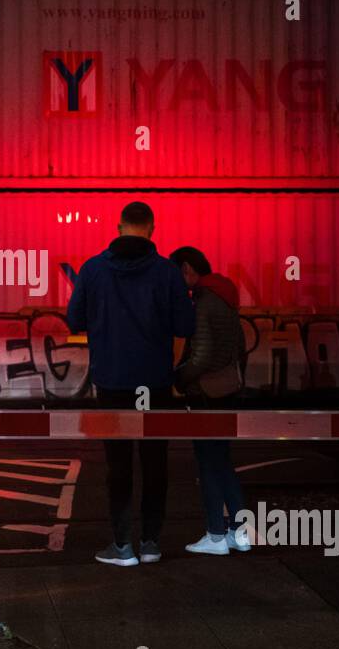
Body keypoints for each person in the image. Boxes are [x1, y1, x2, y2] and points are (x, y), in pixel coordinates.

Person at [67, 202, 195, 567]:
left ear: (119, 226)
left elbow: (74, 319)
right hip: (154, 382)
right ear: (152, 229)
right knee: (155, 462)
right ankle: (151, 542)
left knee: (118, 465)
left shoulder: (93, 269)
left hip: (112, 380)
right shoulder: (167, 272)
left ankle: (122, 546)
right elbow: (185, 326)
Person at [169, 246, 251, 556]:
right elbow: (240, 348)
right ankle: (240, 533)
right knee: (223, 462)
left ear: (187, 269)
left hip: (206, 394)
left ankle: (215, 534)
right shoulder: (227, 297)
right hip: (229, 389)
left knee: (207, 463)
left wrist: (179, 377)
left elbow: (201, 355)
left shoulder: (203, 302)